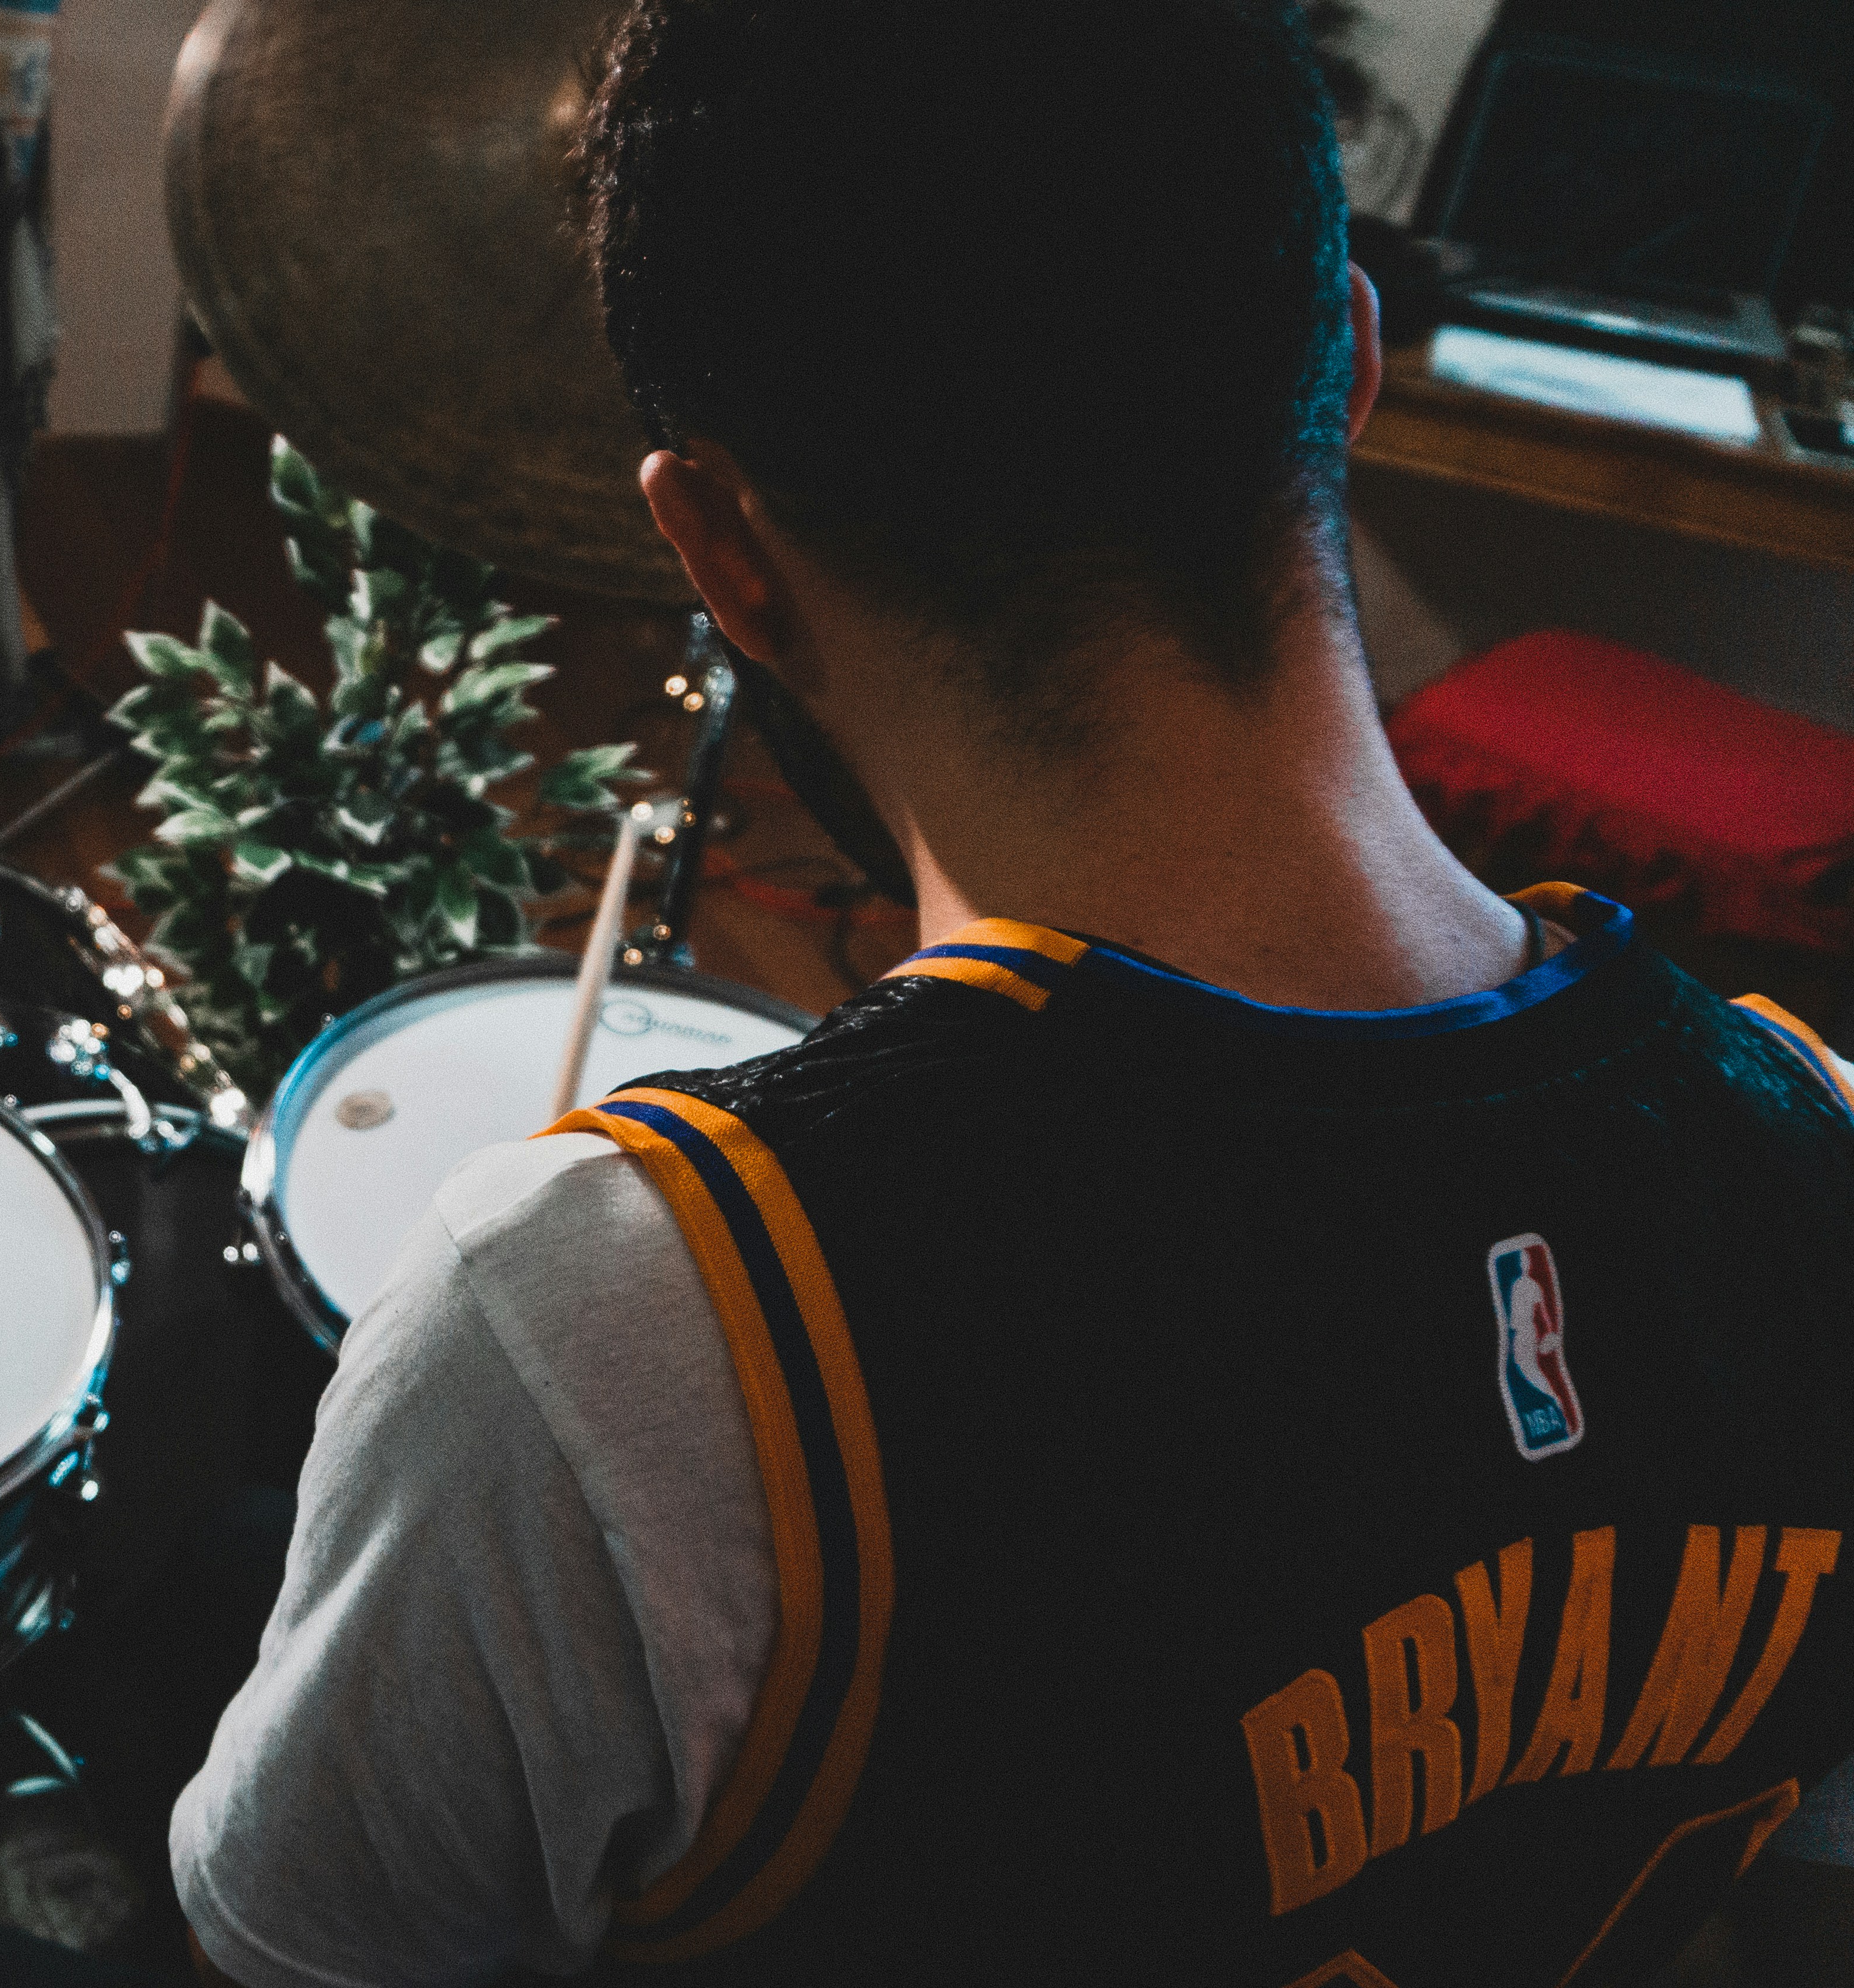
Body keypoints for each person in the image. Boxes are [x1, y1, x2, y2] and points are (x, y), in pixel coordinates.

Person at [167, 1, 1854, 1982]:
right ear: (1358, 373)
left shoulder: (629, 1336)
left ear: (717, 544)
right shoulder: (1806, 1146)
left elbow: (296, 1949)